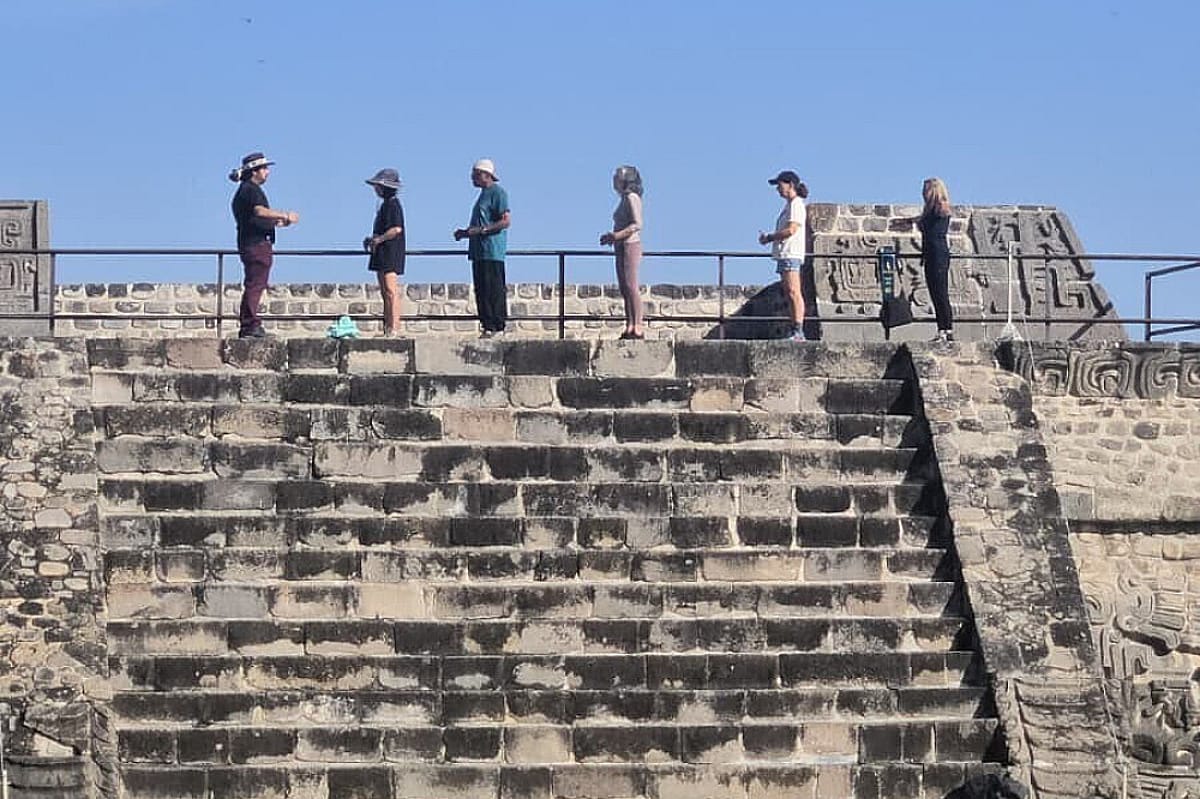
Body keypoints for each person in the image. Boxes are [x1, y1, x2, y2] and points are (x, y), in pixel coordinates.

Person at [228, 152, 299, 338]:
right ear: (255, 171)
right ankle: (250, 324)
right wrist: (284, 215)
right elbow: (259, 211)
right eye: (264, 169)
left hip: (251, 242)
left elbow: (255, 218)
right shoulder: (251, 190)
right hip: (256, 245)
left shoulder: (245, 190)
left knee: (255, 283)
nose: (267, 172)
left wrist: (278, 222)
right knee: (256, 284)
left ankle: (249, 324)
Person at [453, 159, 511, 338]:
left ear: (485, 175)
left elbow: (505, 221)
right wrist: (466, 233)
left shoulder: (498, 193)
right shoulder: (483, 195)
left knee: (493, 288)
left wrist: (482, 230)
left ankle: (497, 326)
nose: (472, 177)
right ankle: (487, 325)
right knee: (482, 289)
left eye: (475, 174)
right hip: (479, 251)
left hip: (492, 250)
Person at [758, 170, 809, 341]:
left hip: (791, 253)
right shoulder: (790, 205)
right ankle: (795, 328)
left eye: (780, 185)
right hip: (785, 253)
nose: (778, 189)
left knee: (794, 292)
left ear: (790, 185)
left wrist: (770, 237)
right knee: (789, 292)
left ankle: (798, 330)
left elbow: (791, 230)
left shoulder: (796, 204)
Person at [600, 165, 645, 339]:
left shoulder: (632, 197)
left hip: (630, 244)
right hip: (621, 244)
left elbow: (637, 224)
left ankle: (637, 324)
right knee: (625, 287)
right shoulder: (624, 199)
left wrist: (617, 235)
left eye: (617, 176)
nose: (614, 179)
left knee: (632, 286)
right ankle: (630, 323)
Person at [363, 168, 406, 336]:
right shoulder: (384, 206)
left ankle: (394, 326)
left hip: (391, 251)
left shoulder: (394, 205)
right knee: (384, 291)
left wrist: (379, 239)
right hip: (382, 252)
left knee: (390, 290)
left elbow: (396, 229)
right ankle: (388, 326)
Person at [919, 177, 954, 342]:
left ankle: (947, 329)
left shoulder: (941, 206)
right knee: (935, 293)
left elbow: (935, 230)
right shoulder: (930, 210)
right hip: (930, 254)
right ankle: (942, 328)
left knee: (941, 293)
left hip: (938, 254)